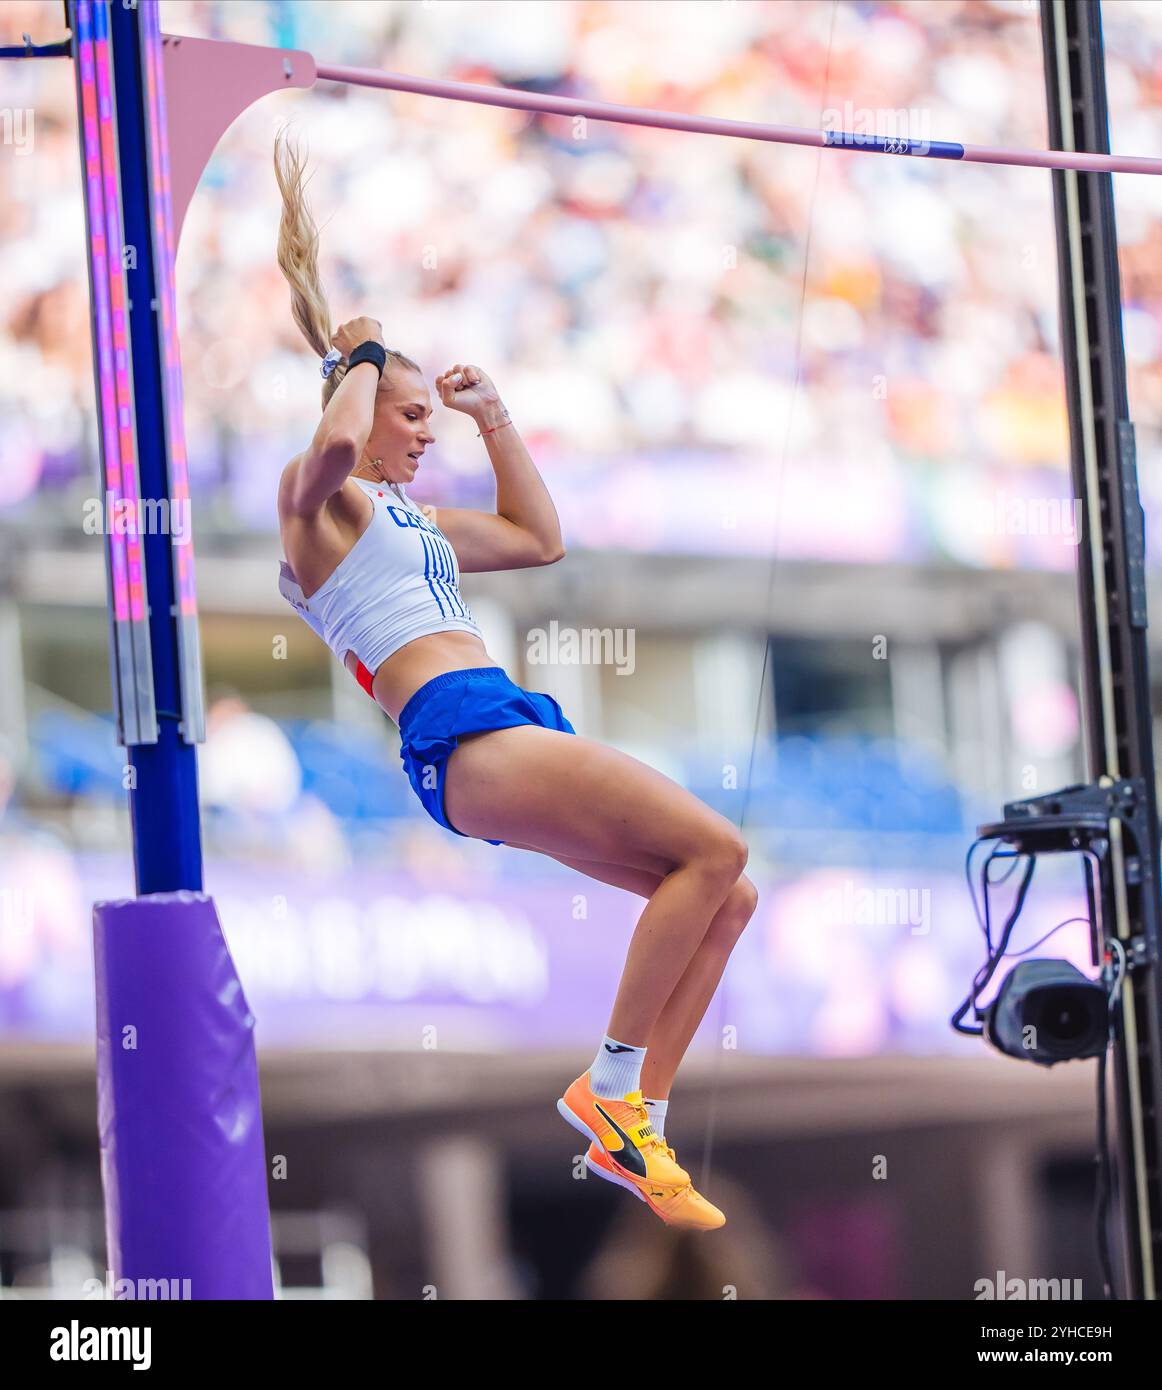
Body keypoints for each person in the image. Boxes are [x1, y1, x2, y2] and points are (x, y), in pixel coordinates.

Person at [272, 130, 758, 1230]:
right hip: (458, 725)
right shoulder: (319, 506)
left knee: (727, 895)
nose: (422, 437)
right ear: (359, 403)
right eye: (415, 418)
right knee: (717, 847)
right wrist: (361, 359)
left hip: (496, 718)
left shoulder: (409, 518)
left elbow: (538, 538)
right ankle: (610, 1084)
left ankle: (640, 1111)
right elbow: (337, 450)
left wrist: (495, 418)